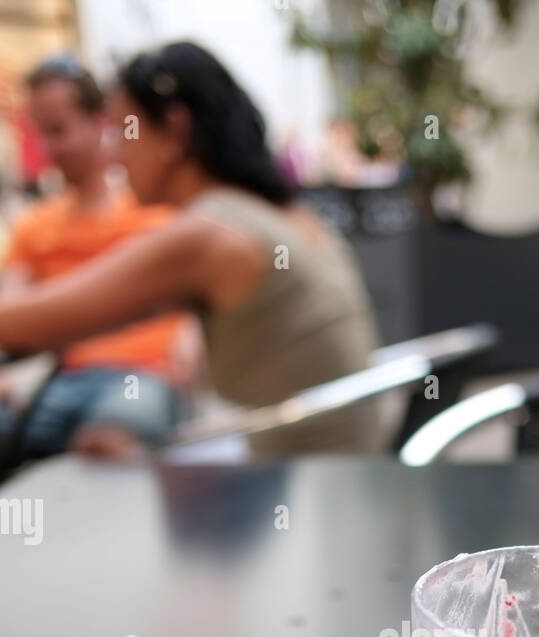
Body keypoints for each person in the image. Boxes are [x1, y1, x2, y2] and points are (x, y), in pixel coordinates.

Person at [0, 42, 387, 457]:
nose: (114, 151)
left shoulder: (208, 235)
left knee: (103, 454)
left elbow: (31, 322)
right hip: (344, 474)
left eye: (125, 130)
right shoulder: (280, 212)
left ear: (174, 131)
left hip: (297, 492)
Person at [0, 55, 194, 460]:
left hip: (143, 376)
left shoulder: (152, 208)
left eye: (59, 130)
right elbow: (8, 307)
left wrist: (189, 348)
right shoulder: (36, 226)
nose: (50, 148)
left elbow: (196, 296)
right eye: (41, 134)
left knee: (107, 445)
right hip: (61, 379)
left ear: (98, 122)